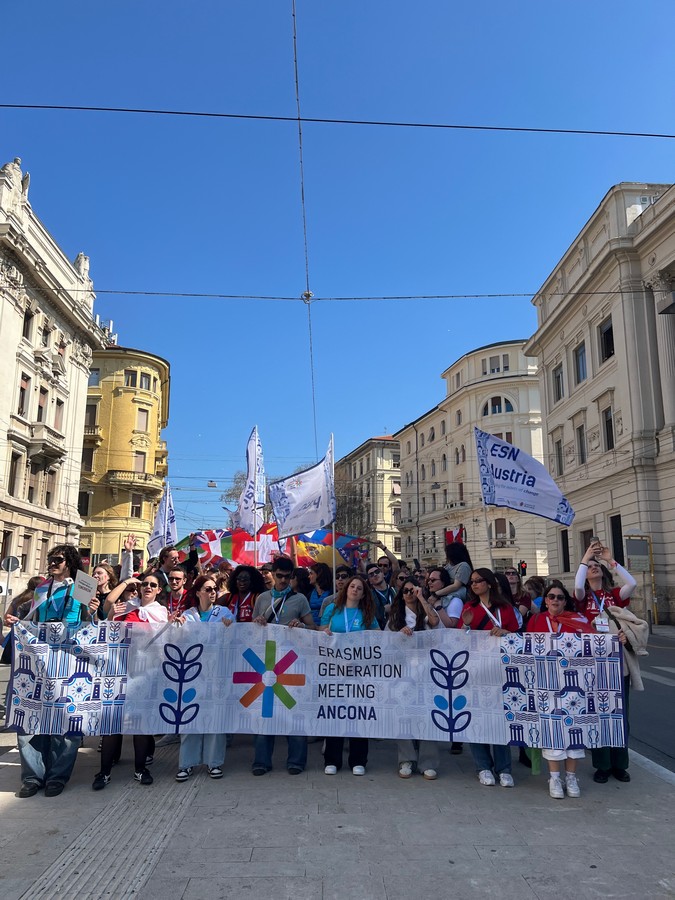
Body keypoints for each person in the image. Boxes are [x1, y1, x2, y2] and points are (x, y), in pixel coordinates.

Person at [10, 545, 97, 798]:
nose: (52, 563)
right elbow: (32, 620)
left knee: (64, 718)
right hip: (37, 658)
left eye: (57, 559)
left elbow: (89, 622)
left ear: (69, 562)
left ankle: (57, 776)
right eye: (50, 559)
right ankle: (32, 777)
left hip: (67, 658)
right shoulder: (40, 589)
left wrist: (91, 610)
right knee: (29, 718)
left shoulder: (83, 585)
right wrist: (18, 623)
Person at [92, 574, 168, 790]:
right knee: (112, 723)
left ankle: (140, 769)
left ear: (159, 590)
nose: (148, 587)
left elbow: (163, 641)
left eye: (153, 585)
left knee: (140, 724)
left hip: (145, 671)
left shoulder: (160, 612)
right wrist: (127, 582)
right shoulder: (126, 607)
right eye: (145, 584)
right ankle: (104, 772)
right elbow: (108, 612)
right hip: (119, 669)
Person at [574, 540, 637, 784]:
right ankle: (602, 764)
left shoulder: (614, 596)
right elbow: (578, 585)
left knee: (620, 715)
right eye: (589, 566)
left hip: (617, 663)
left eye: (595, 565)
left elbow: (631, 583)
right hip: (592, 664)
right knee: (598, 714)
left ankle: (620, 764)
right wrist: (586, 556)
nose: (593, 567)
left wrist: (610, 560)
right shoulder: (582, 598)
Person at [527, 581, 593, 799]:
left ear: (566, 601)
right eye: (551, 596)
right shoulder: (536, 620)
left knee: (573, 730)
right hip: (545, 684)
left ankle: (571, 776)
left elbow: (594, 644)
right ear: (545, 600)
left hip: (574, 685)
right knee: (552, 731)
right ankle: (554, 778)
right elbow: (526, 649)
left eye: (560, 597)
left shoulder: (578, 621)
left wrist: (616, 640)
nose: (555, 600)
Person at [250, 556, 314, 775]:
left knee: (294, 709)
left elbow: (312, 627)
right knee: (265, 711)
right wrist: (257, 623)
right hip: (267, 661)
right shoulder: (262, 598)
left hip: (291, 662)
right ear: (273, 574)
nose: (283, 580)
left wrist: (301, 626)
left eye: (288, 577)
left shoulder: (300, 599)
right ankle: (261, 761)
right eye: (279, 576)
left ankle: (296, 760)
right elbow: (252, 629)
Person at [460, 568, 519, 788]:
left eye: (478, 581)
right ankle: (483, 766)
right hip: (476, 669)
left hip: (500, 668)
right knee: (477, 717)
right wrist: (465, 625)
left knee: (499, 719)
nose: (474, 585)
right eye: (471, 582)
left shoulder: (505, 608)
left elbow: (519, 636)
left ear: (489, 583)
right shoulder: (470, 608)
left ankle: (504, 768)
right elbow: (459, 641)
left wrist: (506, 633)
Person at [174, 575, 234, 782]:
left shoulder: (225, 613)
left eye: (214, 589)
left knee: (215, 718)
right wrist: (176, 627)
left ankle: (213, 763)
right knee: (189, 717)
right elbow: (177, 642)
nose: (212, 592)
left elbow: (235, 640)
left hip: (217, 674)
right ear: (198, 592)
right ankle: (186, 764)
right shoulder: (188, 616)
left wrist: (229, 628)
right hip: (191, 674)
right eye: (207, 589)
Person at [320, 575, 379, 776]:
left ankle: (358, 760)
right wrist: (325, 634)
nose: (354, 590)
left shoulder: (367, 612)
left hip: (359, 672)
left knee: (359, 714)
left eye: (359, 588)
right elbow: (321, 632)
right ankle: (332, 760)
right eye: (352, 586)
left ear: (364, 594)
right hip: (334, 670)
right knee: (334, 714)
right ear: (345, 589)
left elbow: (378, 637)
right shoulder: (332, 609)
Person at [387, 577, 441, 780]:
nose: (409, 594)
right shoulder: (395, 616)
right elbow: (387, 643)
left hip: (427, 670)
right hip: (404, 672)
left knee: (427, 715)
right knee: (405, 715)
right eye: (406, 591)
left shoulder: (424, 612)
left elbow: (435, 622)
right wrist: (399, 634)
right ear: (400, 596)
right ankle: (406, 759)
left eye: (413, 590)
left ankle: (428, 761)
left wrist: (422, 599)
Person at [365, 563, 395, 628]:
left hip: (397, 629)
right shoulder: (368, 596)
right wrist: (383, 610)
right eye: (371, 575)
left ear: (383, 574)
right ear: (370, 581)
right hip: (379, 630)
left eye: (377, 572)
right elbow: (368, 614)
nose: (375, 575)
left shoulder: (395, 591)